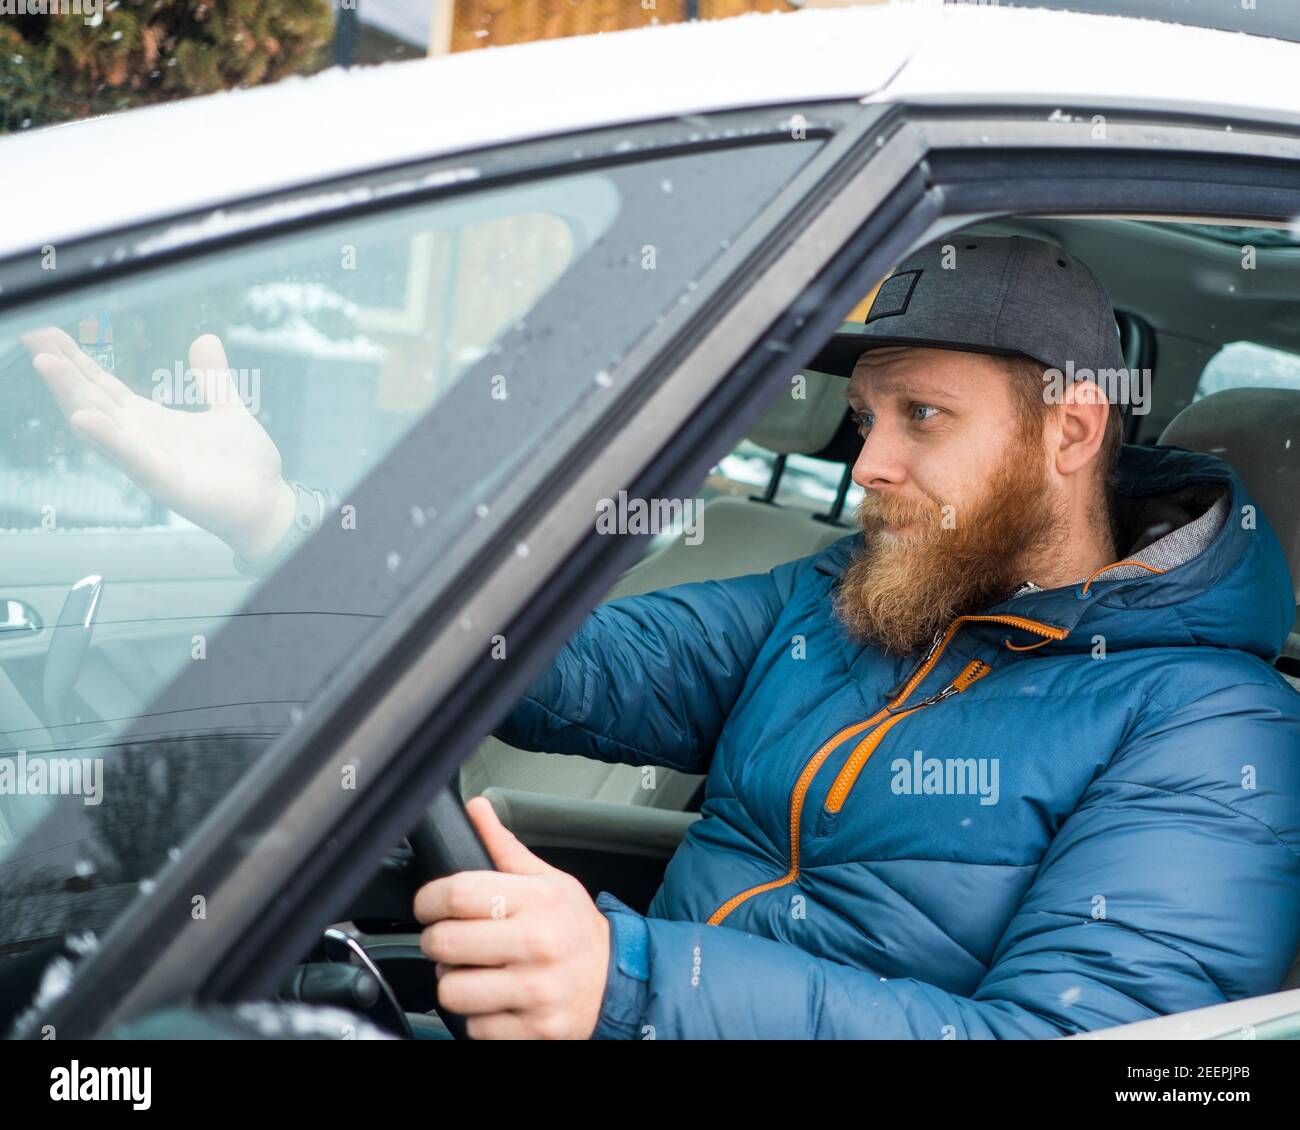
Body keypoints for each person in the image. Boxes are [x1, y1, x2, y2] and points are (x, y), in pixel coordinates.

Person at [25, 237, 1300, 1040]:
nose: (873, 467)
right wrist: (281, 522)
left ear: (1071, 431)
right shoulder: (857, 590)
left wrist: (627, 983)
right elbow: (567, 657)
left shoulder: (1212, 727)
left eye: (922, 415)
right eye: (865, 418)